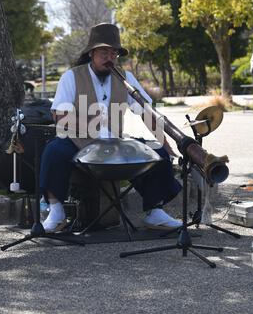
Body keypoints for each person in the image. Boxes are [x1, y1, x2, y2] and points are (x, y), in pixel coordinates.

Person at [40, 23, 182, 232]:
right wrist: (91, 126)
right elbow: (59, 116)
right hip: (79, 141)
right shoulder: (72, 76)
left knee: (157, 152)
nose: (109, 58)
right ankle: (57, 211)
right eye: (104, 52)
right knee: (54, 151)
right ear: (91, 53)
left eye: (114, 53)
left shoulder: (126, 79)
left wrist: (165, 142)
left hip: (114, 144)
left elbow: (146, 112)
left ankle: (154, 211)